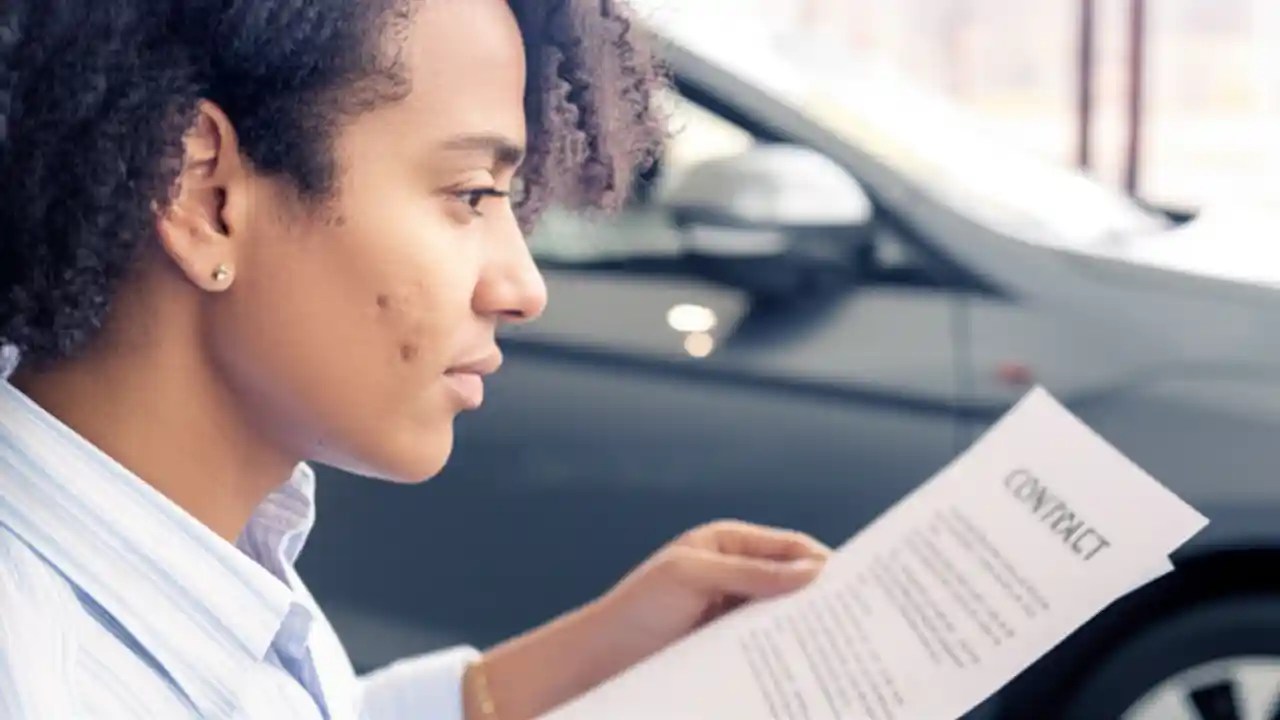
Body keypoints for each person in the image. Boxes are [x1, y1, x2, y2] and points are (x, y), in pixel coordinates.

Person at [0, 0, 832, 718]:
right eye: (472, 194)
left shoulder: (207, 535)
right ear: (206, 196)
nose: (522, 286)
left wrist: (603, 651)